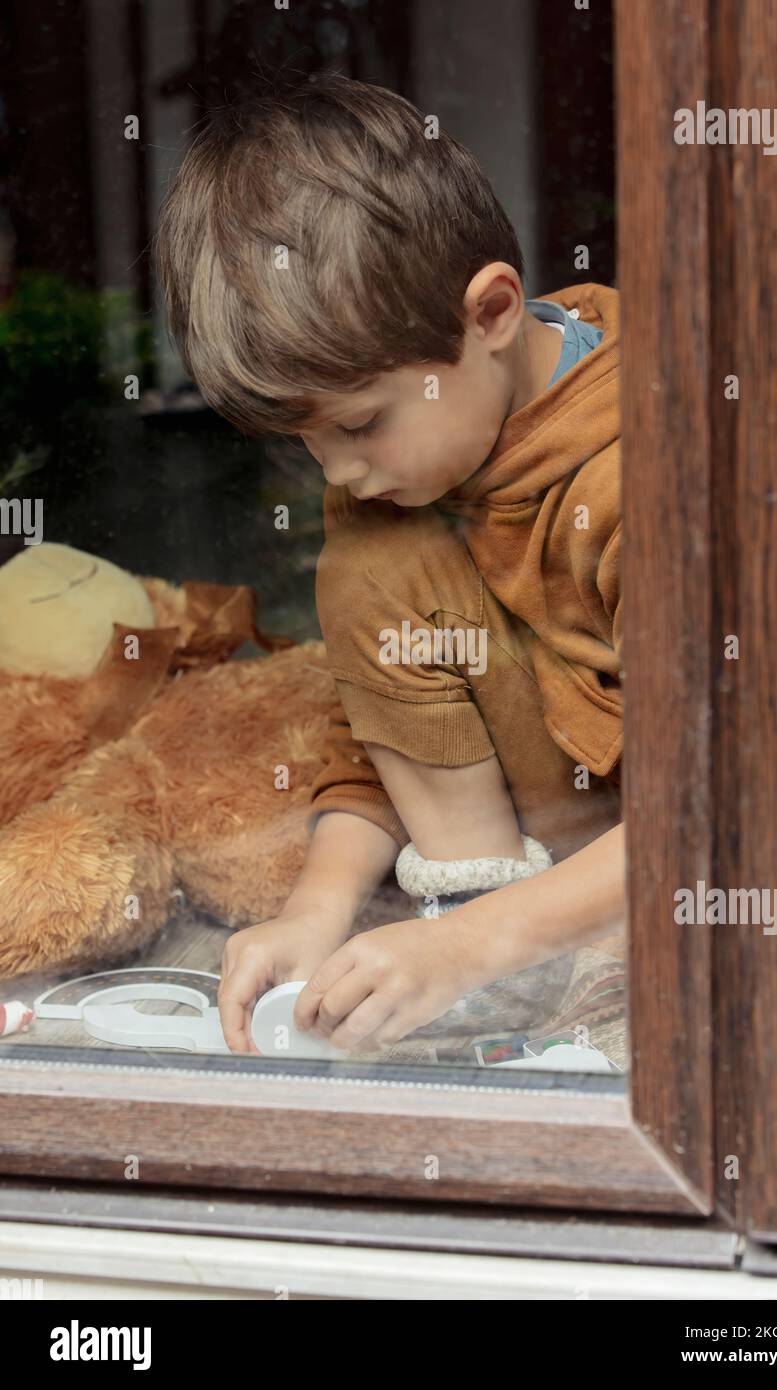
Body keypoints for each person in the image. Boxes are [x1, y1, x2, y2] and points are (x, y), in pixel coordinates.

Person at [154, 73, 626, 1056]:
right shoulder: (395, 489)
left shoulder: (646, 477)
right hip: (509, 888)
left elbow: (746, 801)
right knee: (372, 553)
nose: (341, 472)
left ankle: (520, 955)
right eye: (304, 444)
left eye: (362, 424)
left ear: (490, 312)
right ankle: (489, 940)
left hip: (665, 866)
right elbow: (368, 719)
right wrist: (318, 909)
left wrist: (468, 948)